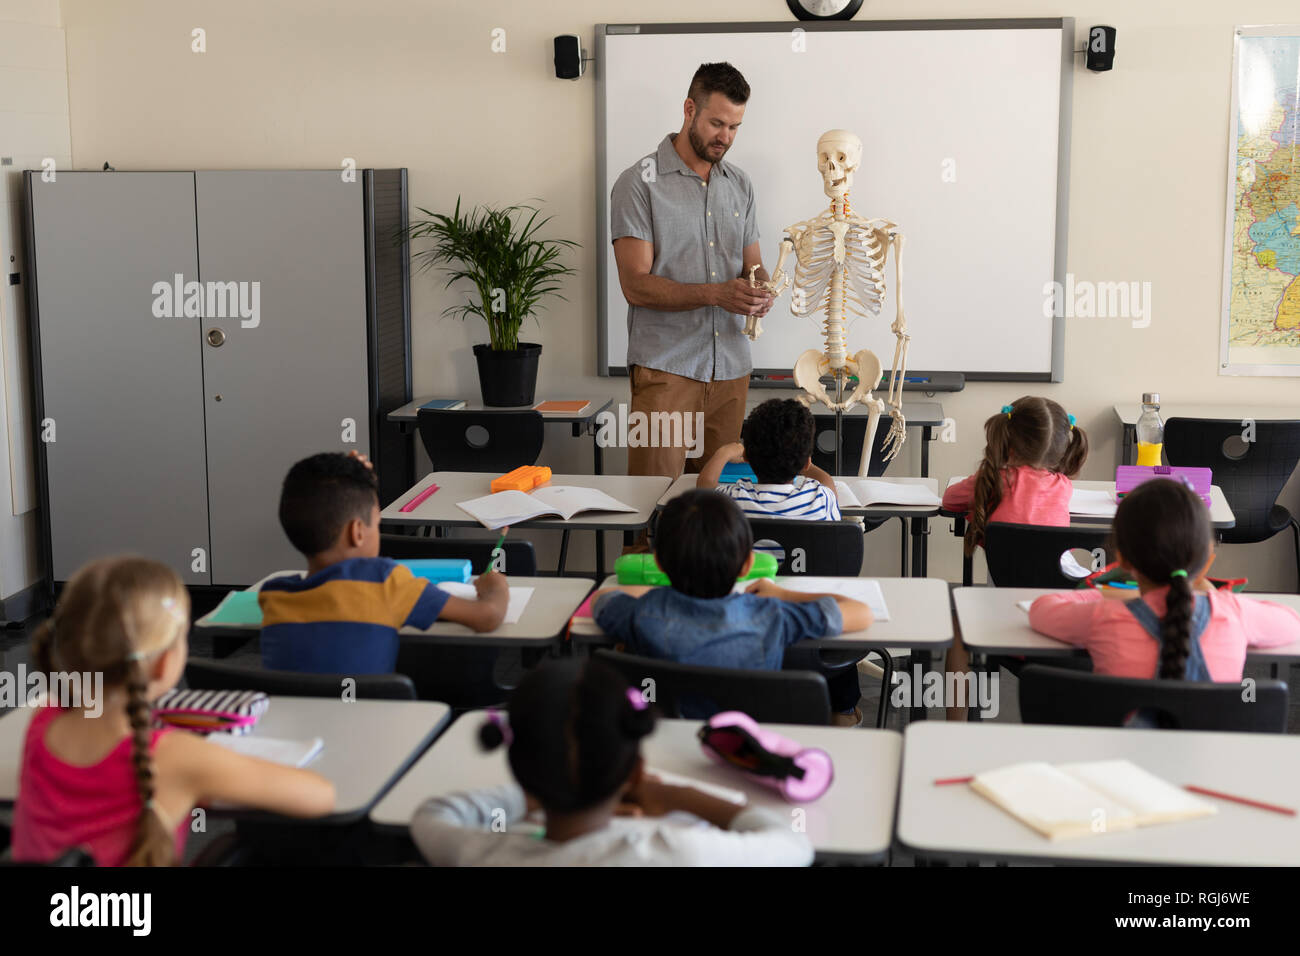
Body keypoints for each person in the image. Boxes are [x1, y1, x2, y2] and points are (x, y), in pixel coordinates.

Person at [12, 557, 335, 865]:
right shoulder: (175, 755)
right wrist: (212, 774)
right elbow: (321, 796)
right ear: (166, 662)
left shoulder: (43, 719)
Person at [410, 657, 813, 866]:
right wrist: (677, 794)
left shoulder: (484, 855)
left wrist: (544, 788)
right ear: (635, 770)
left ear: (520, 769)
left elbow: (433, 815)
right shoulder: (677, 852)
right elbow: (792, 843)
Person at [611, 61, 773, 499]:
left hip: (732, 373)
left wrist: (761, 291)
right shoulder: (638, 184)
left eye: (735, 127)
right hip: (667, 370)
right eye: (717, 123)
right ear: (689, 109)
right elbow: (635, 285)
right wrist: (718, 294)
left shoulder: (740, 184)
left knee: (724, 512)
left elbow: (753, 266)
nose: (726, 137)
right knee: (653, 506)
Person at [591, 490, 870, 724]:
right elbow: (861, 613)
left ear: (660, 564)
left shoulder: (644, 614)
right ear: (748, 566)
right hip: (746, 754)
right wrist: (782, 593)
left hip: (664, 747)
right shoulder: (772, 615)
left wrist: (650, 592)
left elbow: (602, 602)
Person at [259, 451, 507, 673]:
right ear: (357, 532)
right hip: (369, 721)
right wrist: (495, 586)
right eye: (376, 523)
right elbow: (488, 617)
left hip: (298, 720)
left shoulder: (274, 595)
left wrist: (359, 484)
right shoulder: (384, 581)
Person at [1029, 478, 1300, 680]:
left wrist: (1104, 591)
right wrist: (1215, 595)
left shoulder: (1104, 615)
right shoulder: (1234, 612)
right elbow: (1292, 624)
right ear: (1207, 559)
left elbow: (1040, 610)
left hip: (1121, 754)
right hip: (1214, 755)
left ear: (1121, 559)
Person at [941, 396, 1088, 554]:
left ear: (1008, 440)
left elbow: (949, 500)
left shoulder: (991, 478)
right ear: (1061, 448)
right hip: (1058, 574)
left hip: (1003, 571)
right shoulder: (1063, 485)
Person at [697, 398, 841, 521]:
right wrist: (801, 458)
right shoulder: (820, 500)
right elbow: (828, 481)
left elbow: (704, 486)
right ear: (807, 463)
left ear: (746, 457)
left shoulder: (732, 500)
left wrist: (724, 452)